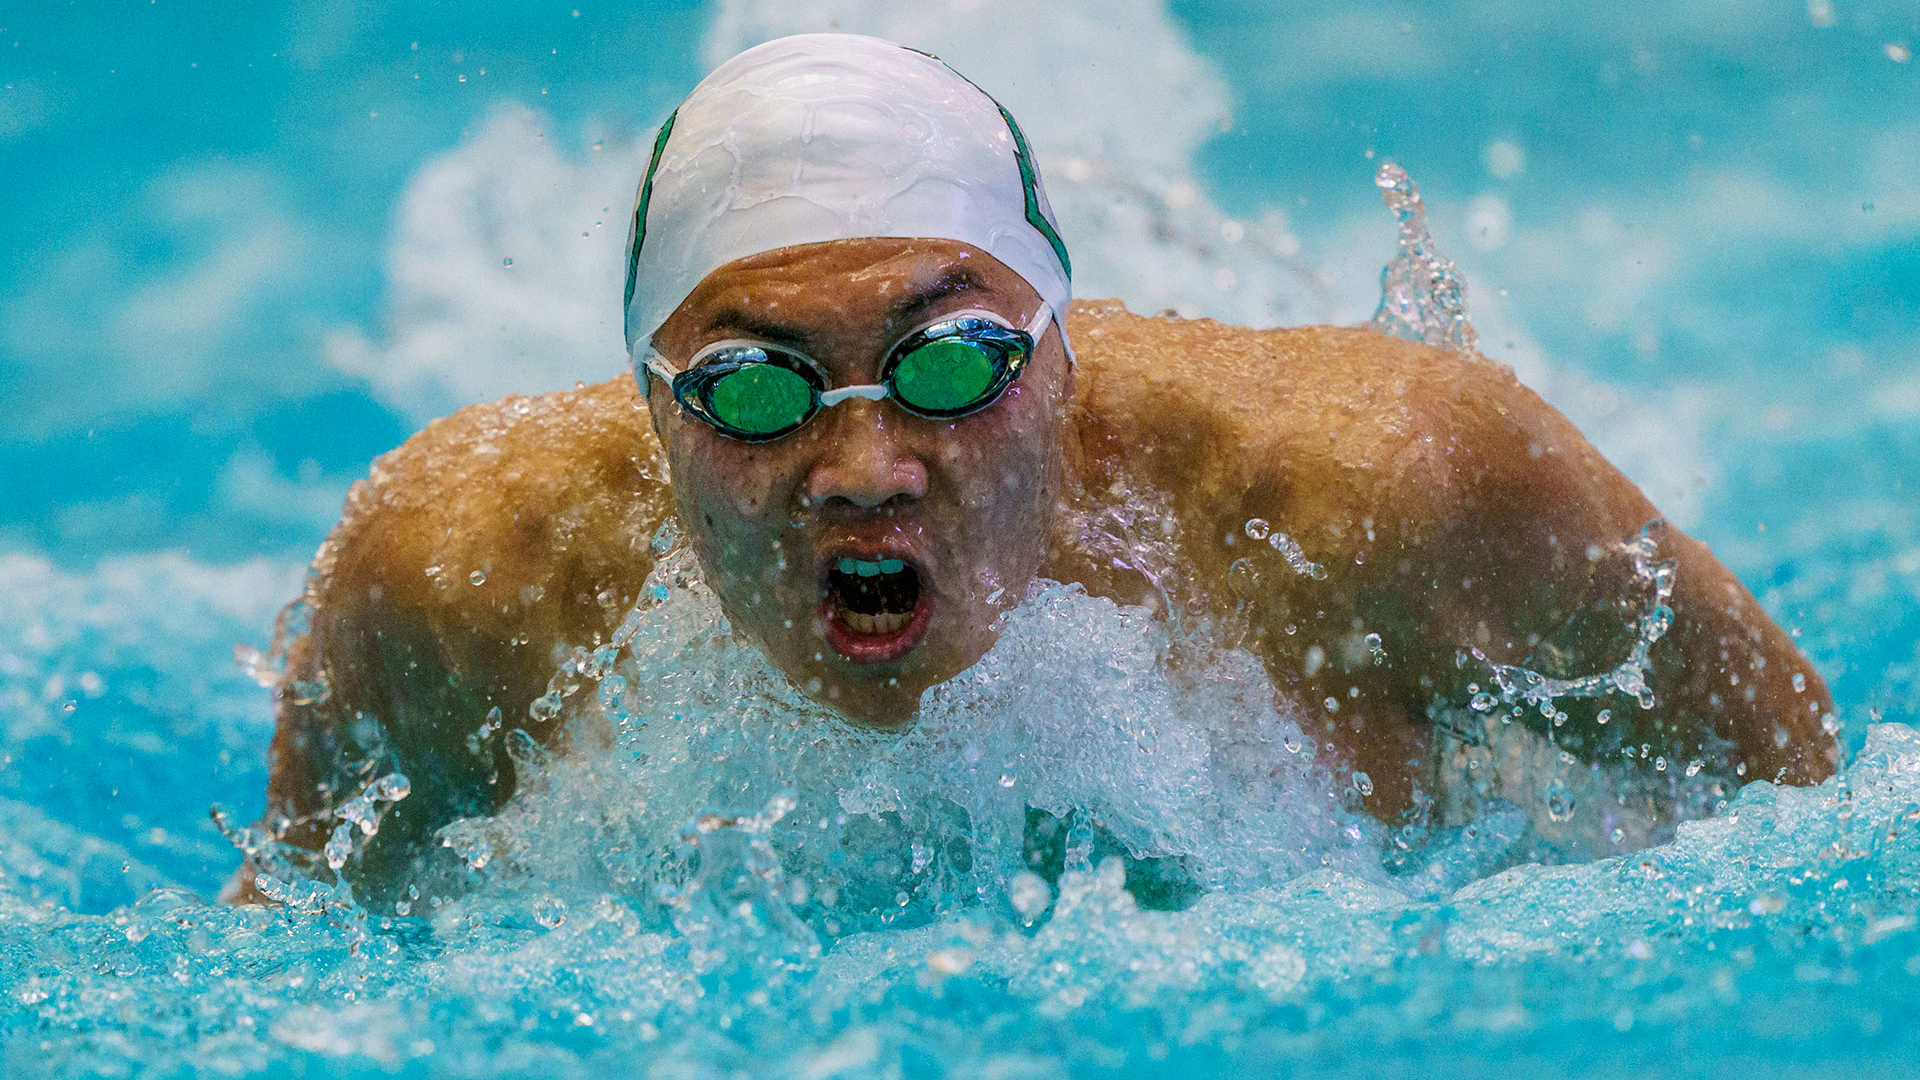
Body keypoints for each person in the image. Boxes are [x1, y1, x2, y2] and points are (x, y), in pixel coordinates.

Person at [235, 33, 1835, 899]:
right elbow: (286, 978)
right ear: (650, 413)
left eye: (952, 366)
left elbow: (1812, 812)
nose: (864, 465)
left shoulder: (1395, 487)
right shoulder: (455, 569)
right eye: (750, 390)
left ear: (1063, 356)